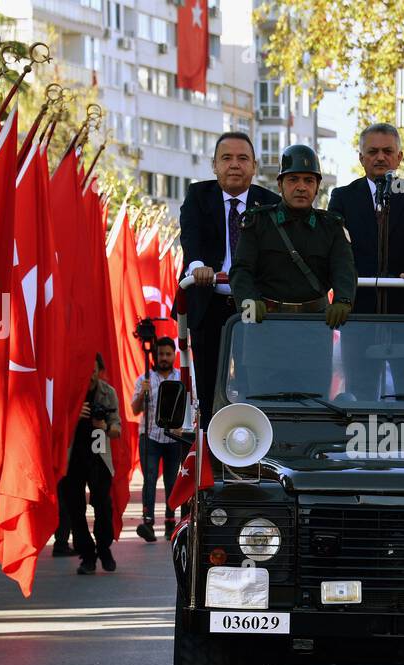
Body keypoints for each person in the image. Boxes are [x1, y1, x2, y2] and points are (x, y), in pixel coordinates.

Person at [229, 144, 356, 398]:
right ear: (280, 184)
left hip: (313, 333)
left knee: (313, 412)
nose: (301, 187)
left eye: (309, 180)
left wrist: (343, 300)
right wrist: (248, 301)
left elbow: (344, 269)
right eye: (293, 179)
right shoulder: (258, 222)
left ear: (317, 186)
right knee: (265, 412)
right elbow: (241, 270)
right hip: (265, 331)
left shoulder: (330, 226)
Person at [329, 123, 404, 399]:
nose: (381, 157)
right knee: (361, 393)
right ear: (361, 158)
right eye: (373, 151)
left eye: (388, 151)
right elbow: (334, 248)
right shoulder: (343, 197)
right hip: (359, 312)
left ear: (399, 157)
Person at [176, 132, 280, 424]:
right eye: (227, 158)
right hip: (209, 302)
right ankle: (210, 450)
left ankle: (253, 452)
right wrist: (198, 267)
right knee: (209, 387)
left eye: (242, 158)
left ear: (254, 166)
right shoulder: (198, 196)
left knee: (253, 387)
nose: (235, 165)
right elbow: (191, 236)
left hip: (252, 307)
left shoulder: (270, 203)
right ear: (214, 165)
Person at [59, 354, 121, 575]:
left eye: (94, 370)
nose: (91, 375)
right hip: (71, 458)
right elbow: (54, 424)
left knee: (103, 506)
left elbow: (117, 429)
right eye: (86, 370)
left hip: (98, 457)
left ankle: (104, 548)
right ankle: (87, 555)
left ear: (100, 370)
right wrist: (73, 416)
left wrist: (102, 425)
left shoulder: (108, 393)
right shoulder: (67, 392)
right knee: (75, 509)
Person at [132, 336, 185, 542]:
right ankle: (148, 522)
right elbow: (135, 410)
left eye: (167, 354)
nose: (163, 358)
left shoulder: (182, 377)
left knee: (172, 481)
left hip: (173, 438)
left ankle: (170, 522)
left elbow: (190, 405)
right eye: (160, 354)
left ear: (174, 356)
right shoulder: (144, 379)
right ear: (155, 355)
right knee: (150, 479)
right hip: (150, 437)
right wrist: (141, 394)